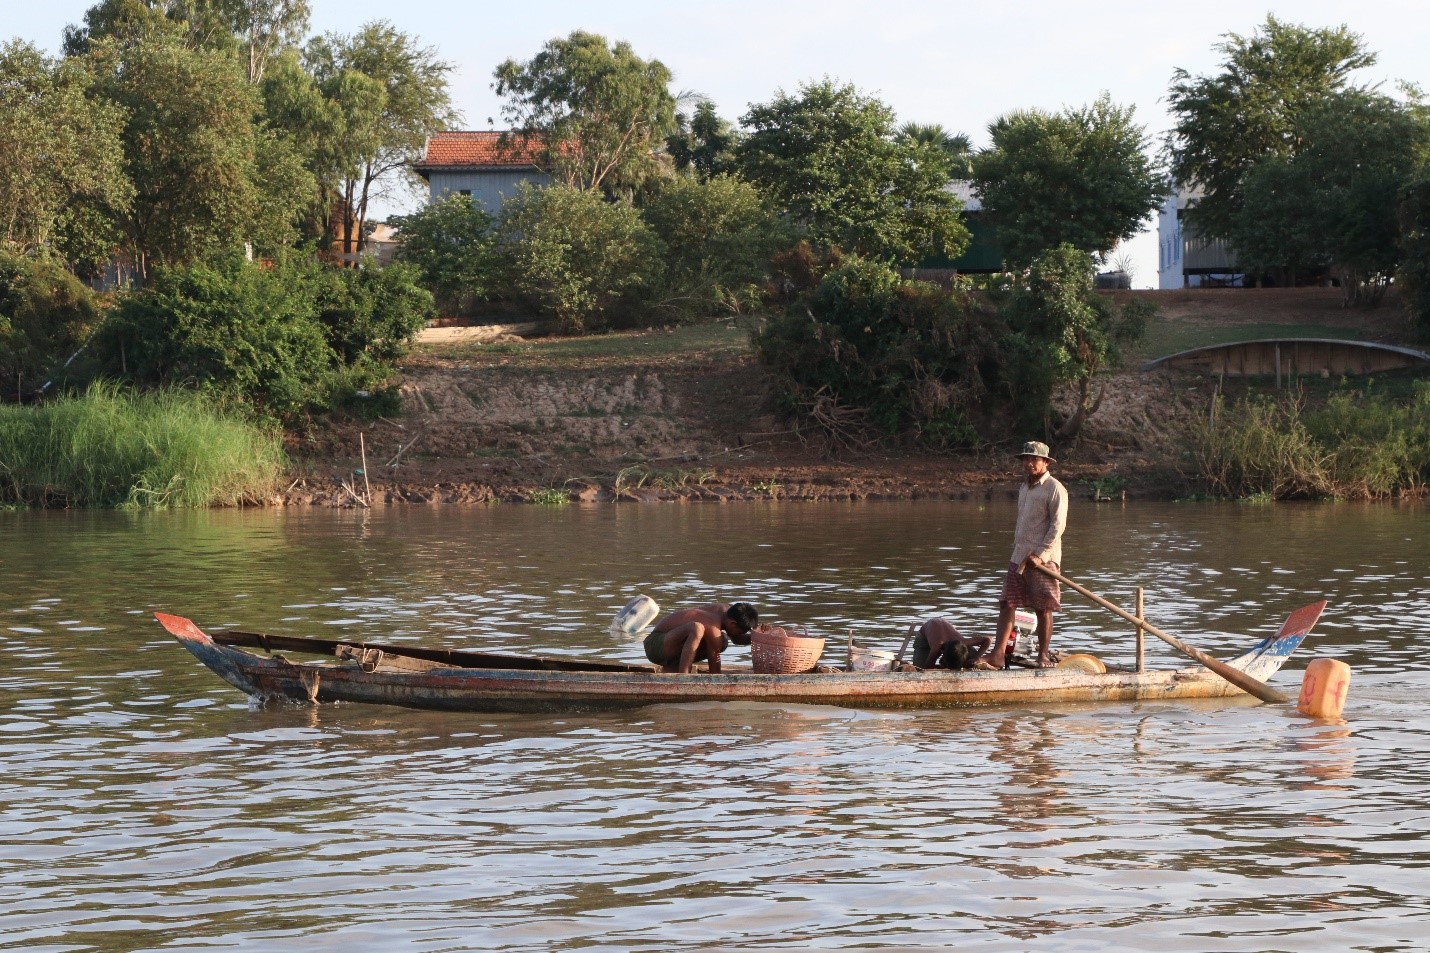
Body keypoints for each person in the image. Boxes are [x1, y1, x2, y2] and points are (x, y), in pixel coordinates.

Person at [983, 441, 1067, 669]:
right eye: (1026, 459)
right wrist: (1023, 554)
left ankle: (1043, 656)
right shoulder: (1024, 488)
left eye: (1034, 459)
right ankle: (998, 654)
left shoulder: (1054, 488)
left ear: (1046, 462)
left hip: (1043, 560)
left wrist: (1040, 555)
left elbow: (1057, 527)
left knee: (1043, 607)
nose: (1029, 463)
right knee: (1007, 603)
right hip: (1019, 556)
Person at [643, 602, 758, 674]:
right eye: (740, 631)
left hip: (669, 645)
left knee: (722, 640)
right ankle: (683, 676)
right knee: (697, 628)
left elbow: (737, 639)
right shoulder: (713, 627)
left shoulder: (727, 611)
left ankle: (673, 668)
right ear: (733, 624)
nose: (739, 634)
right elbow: (715, 670)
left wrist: (762, 636)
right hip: (654, 645)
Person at [911, 617, 990, 670]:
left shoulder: (963, 642)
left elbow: (988, 640)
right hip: (924, 638)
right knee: (919, 669)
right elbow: (926, 669)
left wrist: (976, 659)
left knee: (971, 658)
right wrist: (941, 668)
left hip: (942, 629)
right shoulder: (936, 648)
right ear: (942, 653)